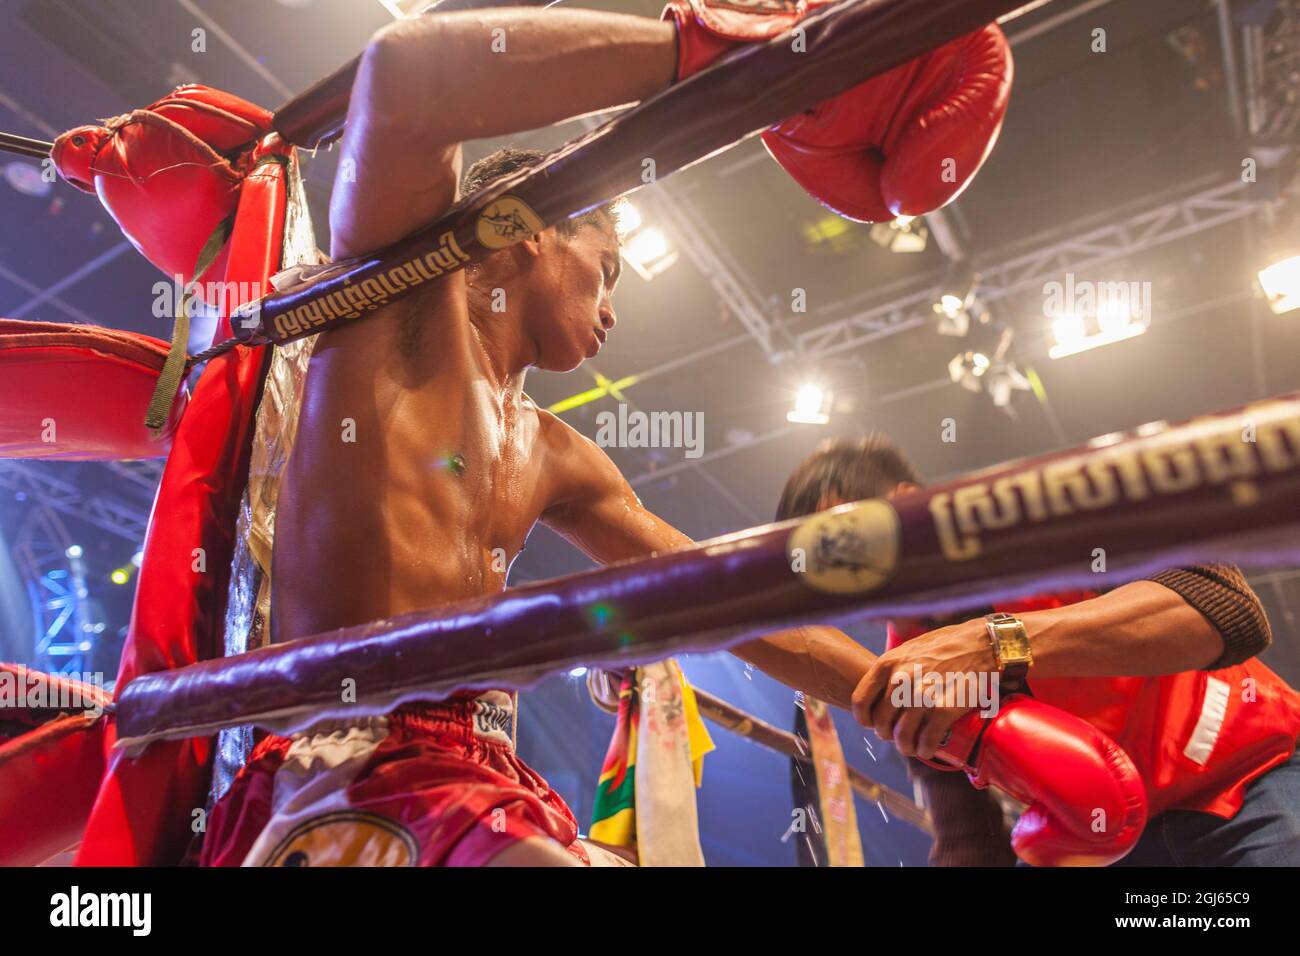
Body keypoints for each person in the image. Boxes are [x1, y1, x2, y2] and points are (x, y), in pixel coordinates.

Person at [201, 4, 1016, 867]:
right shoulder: (397, 301)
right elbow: (404, 78)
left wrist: (907, 696)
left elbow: (715, 594)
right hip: (351, 764)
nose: (614, 308)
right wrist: (735, 57)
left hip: (479, 774)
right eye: (609, 270)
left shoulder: (553, 452)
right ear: (534, 228)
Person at [774, 434, 1300, 866]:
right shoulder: (907, 665)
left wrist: (993, 644)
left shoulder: (1038, 520)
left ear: (908, 501)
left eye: (844, 537)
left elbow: (1228, 605)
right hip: (1100, 842)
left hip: (1251, 774)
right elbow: (967, 840)